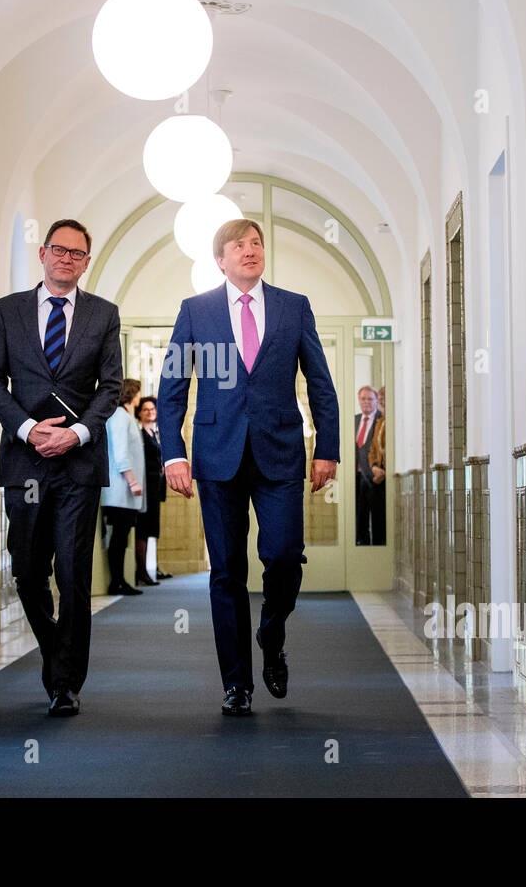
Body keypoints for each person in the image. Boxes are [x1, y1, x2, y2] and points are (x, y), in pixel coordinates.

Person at [158, 219, 339, 716]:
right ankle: (236, 683)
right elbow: (173, 386)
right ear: (220, 259)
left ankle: (272, 632)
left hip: (281, 452)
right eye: (238, 245)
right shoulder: (196, 311)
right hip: (217, 455)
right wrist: (173, 452)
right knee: (227, 572)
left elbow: (320, 382)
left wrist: (329, 448)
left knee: (283, 555)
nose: (250, 251)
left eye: (256, 243)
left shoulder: (293, 306)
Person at [0, 218, 122, 717]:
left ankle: (66, 683)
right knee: (27, 569)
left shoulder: (104, 315)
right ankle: (54, 653)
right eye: (58, 250)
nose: (66, 259)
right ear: (42, 253)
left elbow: (110, 387)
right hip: (26, 460)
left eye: (77, 253)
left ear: (86, 262)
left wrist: (76, 432)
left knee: (74, 572)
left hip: (78, 464)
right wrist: (29, 429)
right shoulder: (8, 312)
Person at [102, 378, 146, 596]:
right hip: (120, 490)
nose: (140, 397)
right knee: (118, 539)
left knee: (121, 537)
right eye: (138, 392)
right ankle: (116, 582)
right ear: (131, 393)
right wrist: (132, 481)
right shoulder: (119, 417)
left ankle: (120, 580)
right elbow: (120, 453)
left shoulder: (126, 417)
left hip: (124, 492)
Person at [134, 395, 169, 583]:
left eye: (153, 409)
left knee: (151, 529)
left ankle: (148, 569)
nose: (150, 412)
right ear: (139, 413)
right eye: (146, 409)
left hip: (156, 487)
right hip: (144, 486)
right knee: (143, 529)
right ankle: (141, 572)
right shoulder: (138, 433)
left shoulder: (157, 433)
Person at [354, 386, 386, 545]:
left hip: (375, 477)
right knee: (358, 516)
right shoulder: (354, 420)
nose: (366, 402)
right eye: (363, 399)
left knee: (377, 516)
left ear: (376, 402)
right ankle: (361, 543)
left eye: (370, 399)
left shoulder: (382, 419)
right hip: (356, 476)